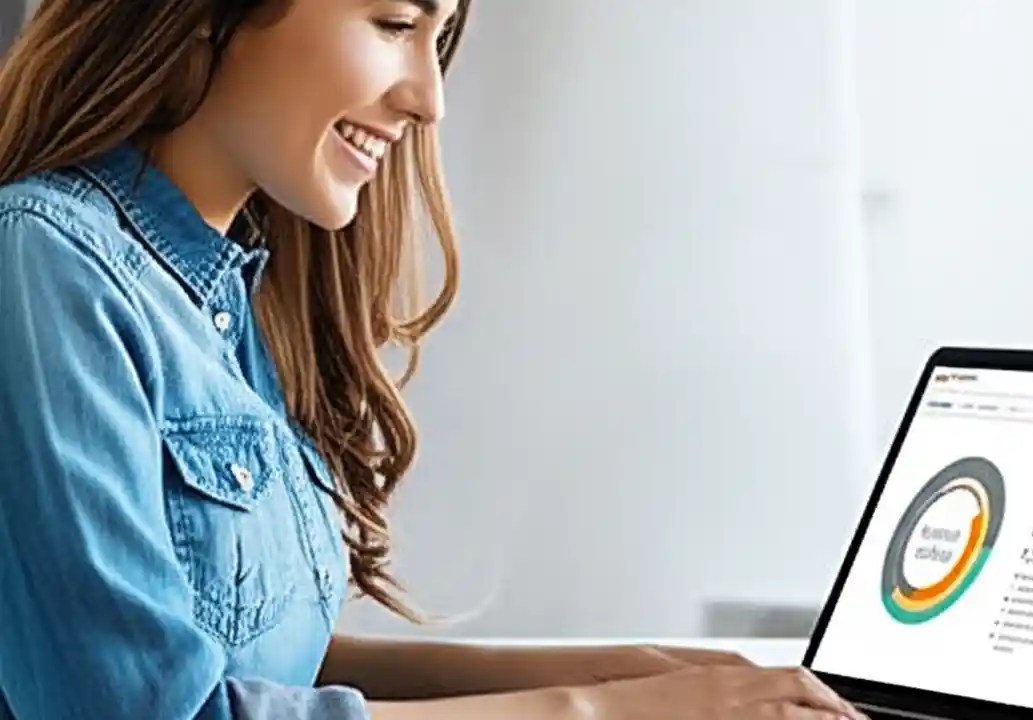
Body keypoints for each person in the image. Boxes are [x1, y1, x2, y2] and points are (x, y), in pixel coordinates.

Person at [0, 2, 867, 719]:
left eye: (438, 38)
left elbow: (265, 667)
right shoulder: (43, 262)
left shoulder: (224, 303)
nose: (428, 98)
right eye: (394, 24)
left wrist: (627, 673)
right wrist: (599, 712)